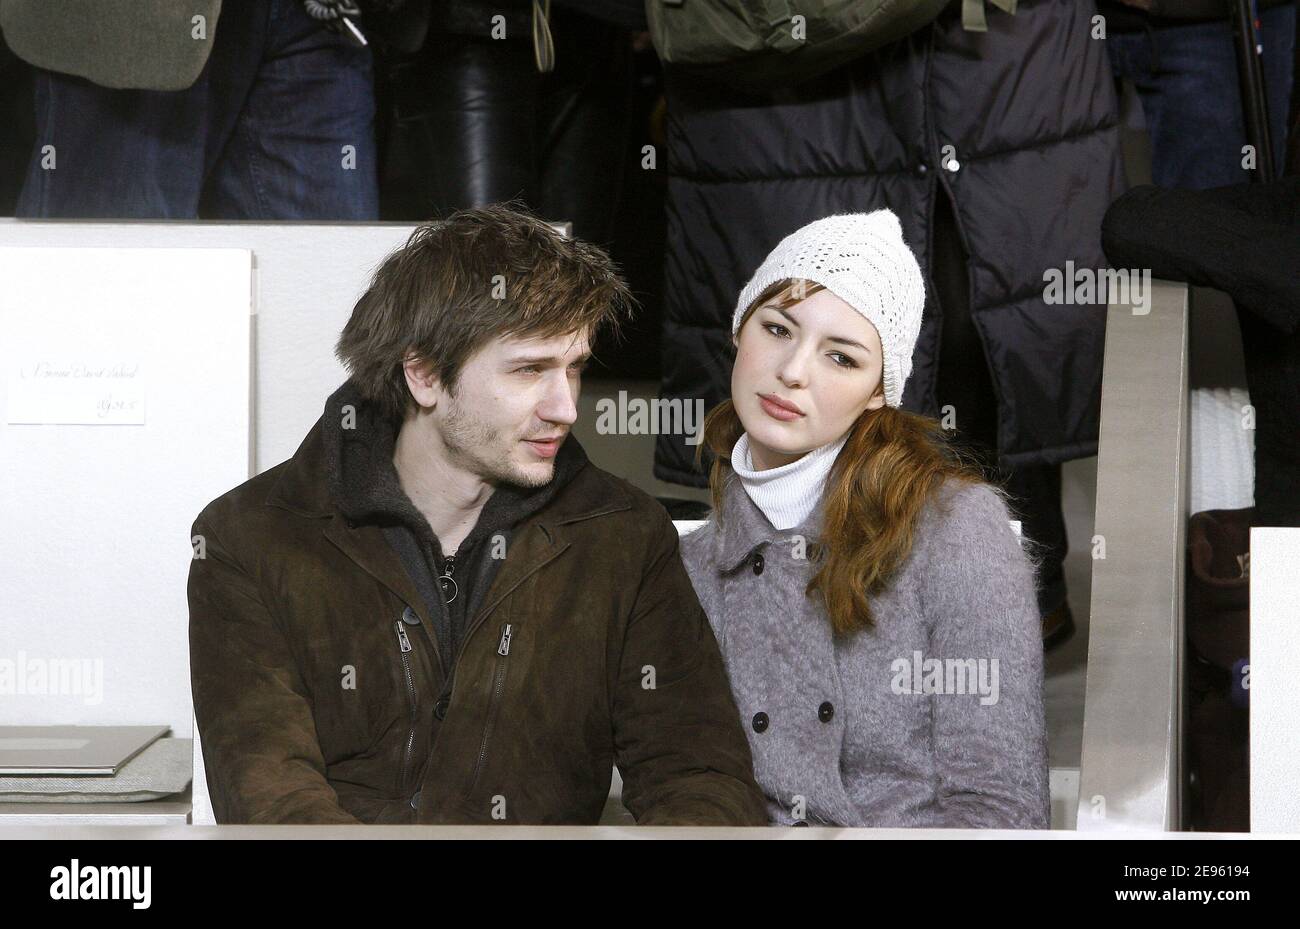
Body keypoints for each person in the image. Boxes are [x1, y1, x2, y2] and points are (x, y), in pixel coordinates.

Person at [187, 202, 768, 825]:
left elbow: (698, 778)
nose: (566, 407)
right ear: (425, 374)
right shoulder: (248, 538)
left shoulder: (622, 535)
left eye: (573, 369)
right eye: (529, 370)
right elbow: (271, 798)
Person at [679, 211, 1050, 828]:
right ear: (740, 332)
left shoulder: (956, 531)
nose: (793, 371)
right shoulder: (693, 565)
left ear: (879, 390)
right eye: (777, 328)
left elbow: (1000, 809)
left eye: (841, 358)